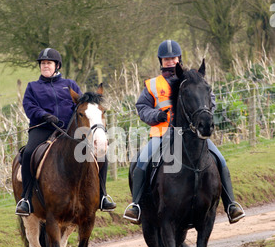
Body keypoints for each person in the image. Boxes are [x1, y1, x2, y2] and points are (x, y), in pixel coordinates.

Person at [123, 39, 245, 224]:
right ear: (160, 61)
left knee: (219, 159)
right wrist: (157, 115)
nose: (170, 61)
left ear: (179, 58)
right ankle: (136, 206)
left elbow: (209, 100)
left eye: (173, 58)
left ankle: (231, 205)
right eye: (166, 59)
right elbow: (142, 107)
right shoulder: (153, 84)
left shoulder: (193, 78)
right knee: (141, 162)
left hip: (192, 135)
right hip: (162, 133)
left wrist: (201, 116)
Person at [15, 47, 116, 216]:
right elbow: (29, 107)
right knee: (28, 153)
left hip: (69, 130)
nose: (45, 66)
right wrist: (44, 115)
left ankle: (103, 195)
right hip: (42, 128)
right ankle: (25, 198)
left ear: (57, 66)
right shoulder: (33, 87)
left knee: (100, 154)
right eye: (43, 63)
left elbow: (82, 105)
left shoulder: (69, 85)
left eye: (49, 63)